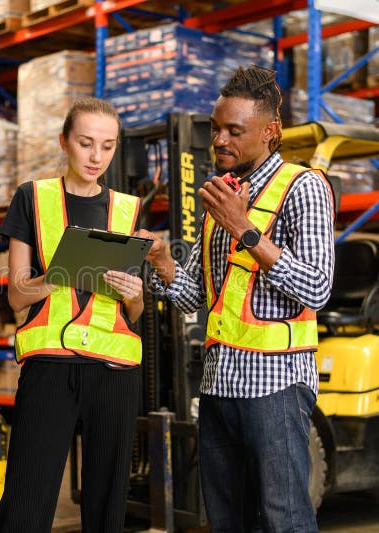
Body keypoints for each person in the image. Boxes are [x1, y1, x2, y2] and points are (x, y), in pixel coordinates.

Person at [137, 66, 335, 532]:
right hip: (219, 387)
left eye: (234, 131)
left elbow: (317, 287)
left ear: (270, 132)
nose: (220, 140)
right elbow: (196, 299)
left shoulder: (302, 187)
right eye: (215, 128)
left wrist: (243, 228)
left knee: (283, 520)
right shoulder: (222, 197)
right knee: (226, 521)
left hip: (276, 388)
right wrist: (163, 263)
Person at [0, 97, 144, 533]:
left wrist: (134, 293)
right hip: (51, 368)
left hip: (114, 371)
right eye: (85, 143)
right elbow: (18, 297)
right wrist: (63, 275)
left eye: (108, 146)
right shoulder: (32, 199)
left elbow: (132, 312)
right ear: (64, 142)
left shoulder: (127, 209)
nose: (96, 157)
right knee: (26, 499)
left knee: (107, 503)